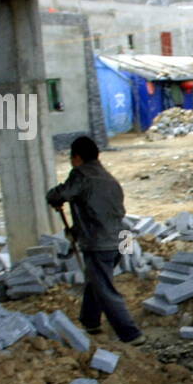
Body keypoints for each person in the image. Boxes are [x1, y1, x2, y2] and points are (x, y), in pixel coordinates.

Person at [46, 135, 144, 345]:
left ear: (78, 157)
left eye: (71, 158)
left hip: (100, 243)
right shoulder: (109, 178)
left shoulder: (81, 175)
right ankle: (89, 320)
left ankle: (131, 334)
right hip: (120, 239)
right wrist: (75, 229)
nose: (71, 162)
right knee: (96, 280)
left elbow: (58, 195)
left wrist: (54, 198)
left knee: (105, 289)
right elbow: (100, 211)